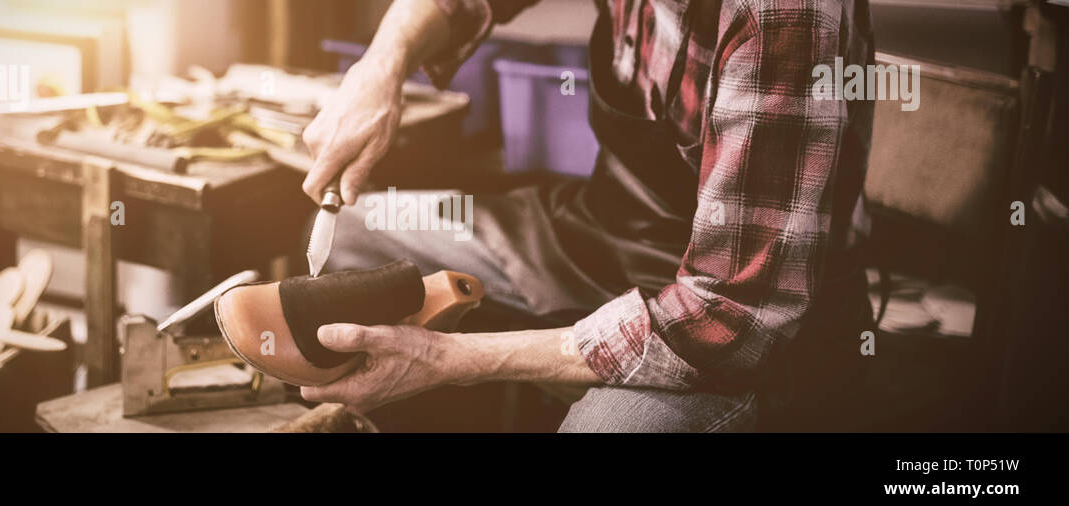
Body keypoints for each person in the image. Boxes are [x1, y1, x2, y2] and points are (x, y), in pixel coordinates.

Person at [298, 0, 876, 432]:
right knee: (359, 232)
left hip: (734, 323)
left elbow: (726, 318)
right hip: (597, 232)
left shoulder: (783, 20)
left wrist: (449, 360)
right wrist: (383, 64)